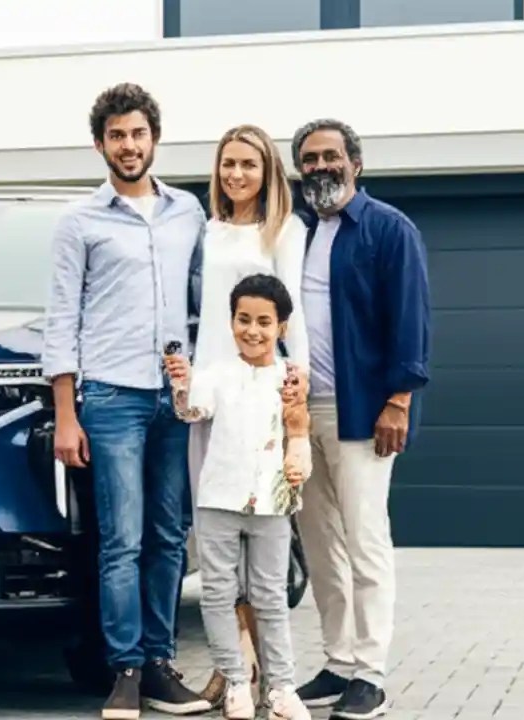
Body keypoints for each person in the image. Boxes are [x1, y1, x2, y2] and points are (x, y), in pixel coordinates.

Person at [41, 82, 211, 720]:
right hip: (111, 398)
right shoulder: (79, 222)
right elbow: (62, 319)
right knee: (121, 541)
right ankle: (126, 672)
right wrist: (66, 414)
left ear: (154, 139)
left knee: (168, 536)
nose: (129, 145)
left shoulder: (187, 212)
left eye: (138, 133)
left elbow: (204, 299)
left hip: (176, 400)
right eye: (117, 136)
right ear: (100, 145)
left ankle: (161, 665)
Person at [288, 118, 432, 720]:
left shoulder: (388, 229)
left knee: (366, 541)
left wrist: (399, 400)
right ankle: (338, 660)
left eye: (331, 155)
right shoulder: (296, 233)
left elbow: (411, 318)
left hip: (364, 411)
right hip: (301, 415)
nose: (320, 166)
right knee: (321, 545)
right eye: (309, 158)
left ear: (355, 163)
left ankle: (370, 672)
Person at [187, 123, 311, 706]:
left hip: (262, 390)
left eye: (249, 164)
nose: (236, 174)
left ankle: (271, 676)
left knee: (263, 543)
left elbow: (294, 310)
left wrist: (297, 382)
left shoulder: (284, 228)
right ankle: (236, 669)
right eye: (228, 163)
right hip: (210, 390)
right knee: (216, 541)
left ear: (268, 173)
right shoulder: (207, 229)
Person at [166, 273, 314, 720]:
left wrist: (298, 462)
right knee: (218, 594)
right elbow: (191, 411)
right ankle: (236, 683)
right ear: (231, 321)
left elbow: (298, 430)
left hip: (272, 503)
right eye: (243, 319)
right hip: (219, 500)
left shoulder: (290, 378)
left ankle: (281, 687)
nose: (252, 330)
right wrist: (182, 382)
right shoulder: (216, 375)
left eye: (264, 322)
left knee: (270, 595)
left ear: (281, 326)